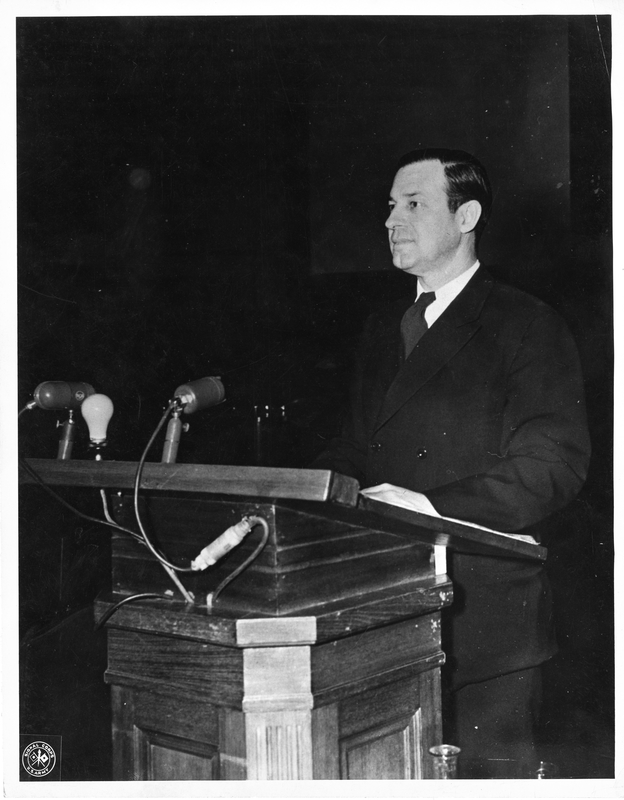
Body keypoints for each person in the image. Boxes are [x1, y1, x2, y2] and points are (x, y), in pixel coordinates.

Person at [312, 148, 590, 778]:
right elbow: (357, 443)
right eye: (389, 206)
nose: (391, 221)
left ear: (467, 216)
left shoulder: (527, 324)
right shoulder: (384, 327)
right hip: (383, 613)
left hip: (485, 623)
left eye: (413, 204)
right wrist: (318, 490)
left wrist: (433, 506)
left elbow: (554, 465)